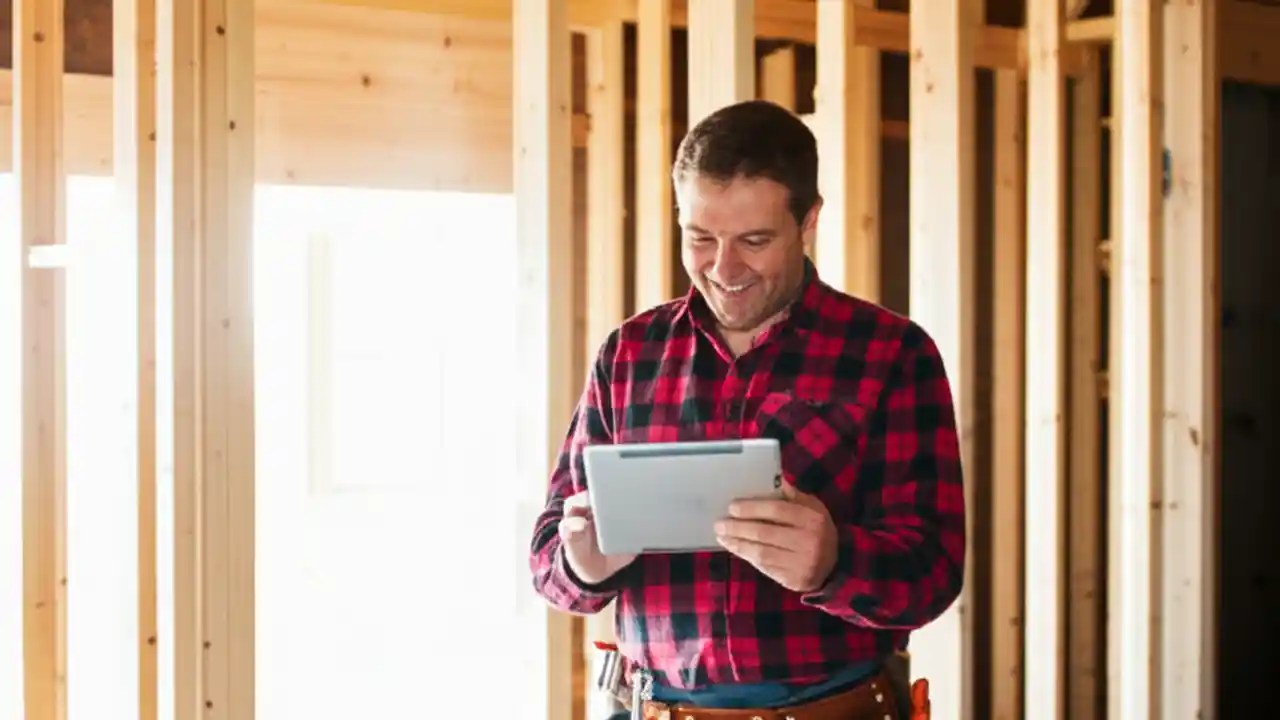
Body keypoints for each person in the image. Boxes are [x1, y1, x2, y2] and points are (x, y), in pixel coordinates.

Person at [529, 99, 964, 720]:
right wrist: (583, 564)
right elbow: (548, 555)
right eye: (700, 238)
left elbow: (935, 571)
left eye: (754, 241)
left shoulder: (893, 354)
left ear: (808, 220)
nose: (723, 268)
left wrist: (835, 563)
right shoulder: (628, 354)